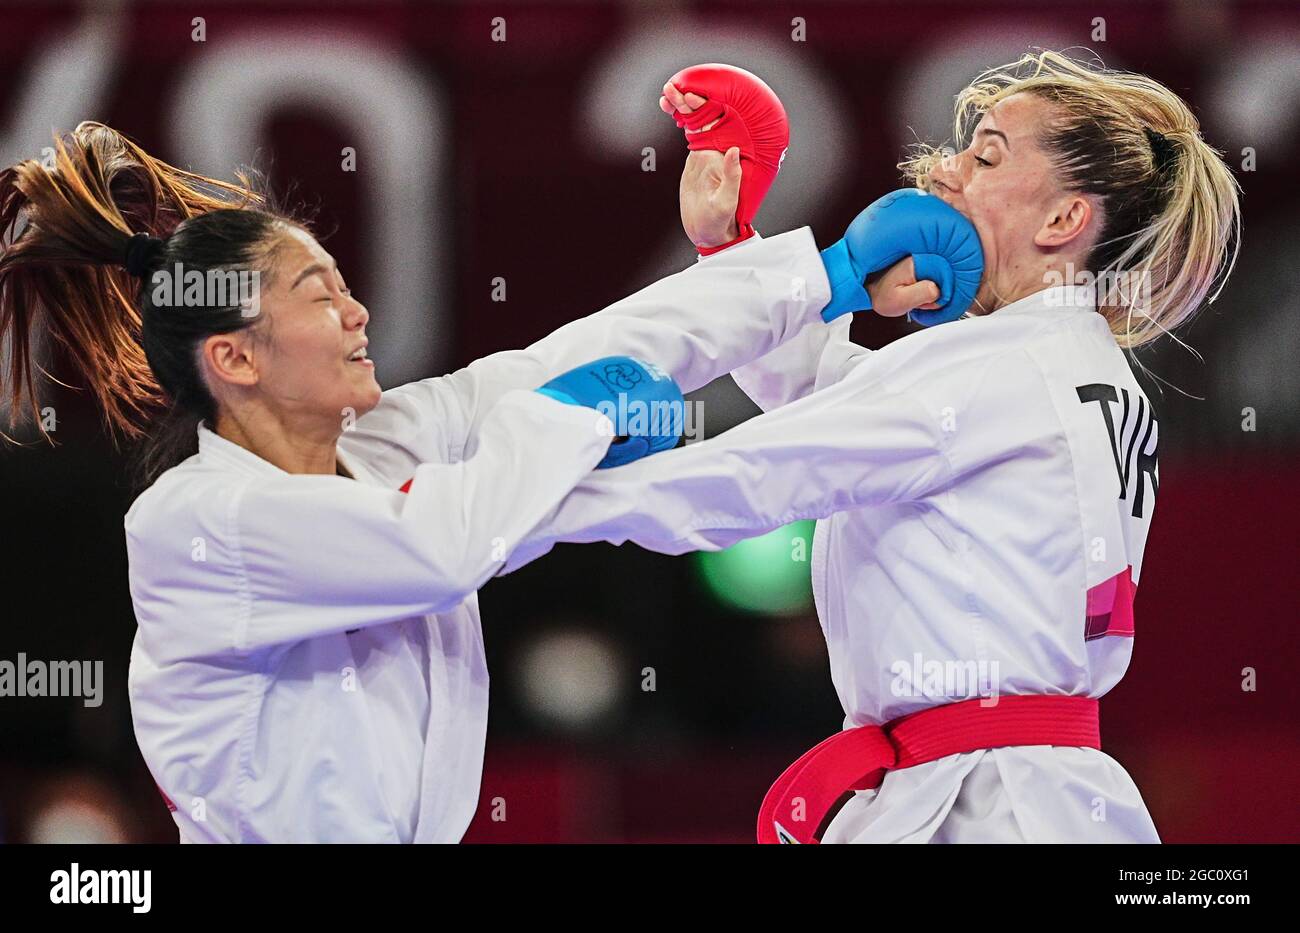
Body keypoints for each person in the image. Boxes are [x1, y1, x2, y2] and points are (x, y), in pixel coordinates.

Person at [0, 119, 861, 842]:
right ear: (235, 356)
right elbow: (438, 546)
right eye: (319, 296)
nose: (357, 311)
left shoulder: (386, 445)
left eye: (346, 287)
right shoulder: (195, 522)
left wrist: (819, 277)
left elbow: (570, 358)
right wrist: (571, 422)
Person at [509, 50, 1243, 843]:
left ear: (1063, 220)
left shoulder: (994, 365)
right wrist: (732, 251)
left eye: (988, 154)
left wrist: (524, 489)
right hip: (1034, 785)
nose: (949, 171)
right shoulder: (1087, 371)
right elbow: (840, 409)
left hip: (987, 800)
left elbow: (763, 473)